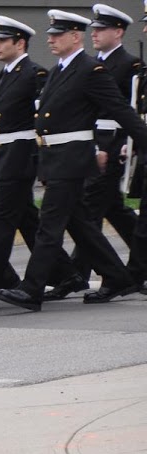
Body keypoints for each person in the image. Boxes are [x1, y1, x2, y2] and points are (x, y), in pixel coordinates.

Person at [0, 10, 147, 309]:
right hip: (55, 158)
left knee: (49, 225)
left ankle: (32, 289)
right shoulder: (59, 70)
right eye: (50, 35)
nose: (50, 40)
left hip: (72, 159)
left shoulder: (91, 70)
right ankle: (117, 276)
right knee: (81, 225)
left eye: (57, 35)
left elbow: (121, 111)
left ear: (75, 37)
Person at [70, 3, 143, 297]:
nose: (95, 34)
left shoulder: (130, 65)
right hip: (92, 141)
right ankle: (137, 267)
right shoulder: (90, 63)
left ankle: (88, 274)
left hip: (113, 145)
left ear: (119, 31)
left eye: (102, 29)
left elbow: (129, 112)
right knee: (113, 208)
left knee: (90, 209)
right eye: (94, 29)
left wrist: (124, 146)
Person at [0, 16, 47, 309]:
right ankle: (66, 274)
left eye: (3, 41)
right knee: (27, 220)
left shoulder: (34, 74)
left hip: (20, 158)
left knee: (0, 224)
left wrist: (42, 162)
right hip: (3, 158)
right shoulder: (4, 74)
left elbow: (42, 122)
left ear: (20, 43)